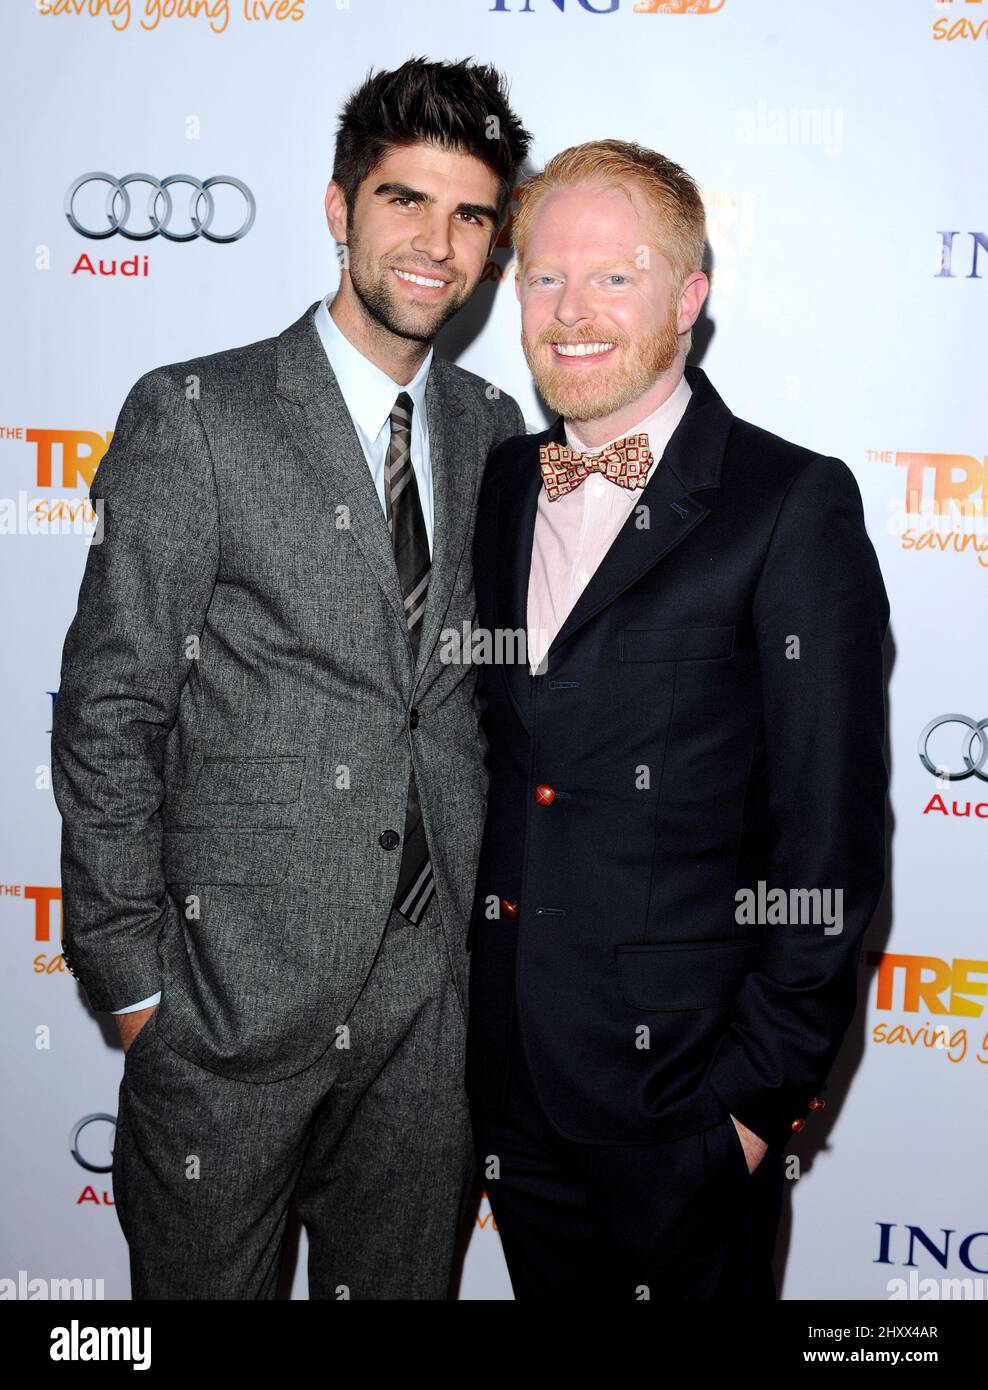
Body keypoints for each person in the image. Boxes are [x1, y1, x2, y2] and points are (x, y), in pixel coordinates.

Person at [50, 56, 531, 1301]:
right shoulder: (198, 414)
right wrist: (135, 983)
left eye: (470, 214)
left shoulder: (492, 433)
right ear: (338, 209)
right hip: (227, 1000)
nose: (436, 242)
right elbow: (112, 704)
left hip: (431, 1019)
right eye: (403, 200)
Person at [466, 139, 890, 1300]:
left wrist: (753, 1106)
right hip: (511, 1085)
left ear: (688, 297)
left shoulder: (789, 502)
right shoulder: (505, 481)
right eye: (545, 276)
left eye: (615, 277)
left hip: (685, 1101)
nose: (571, 312)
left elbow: (830, 839)